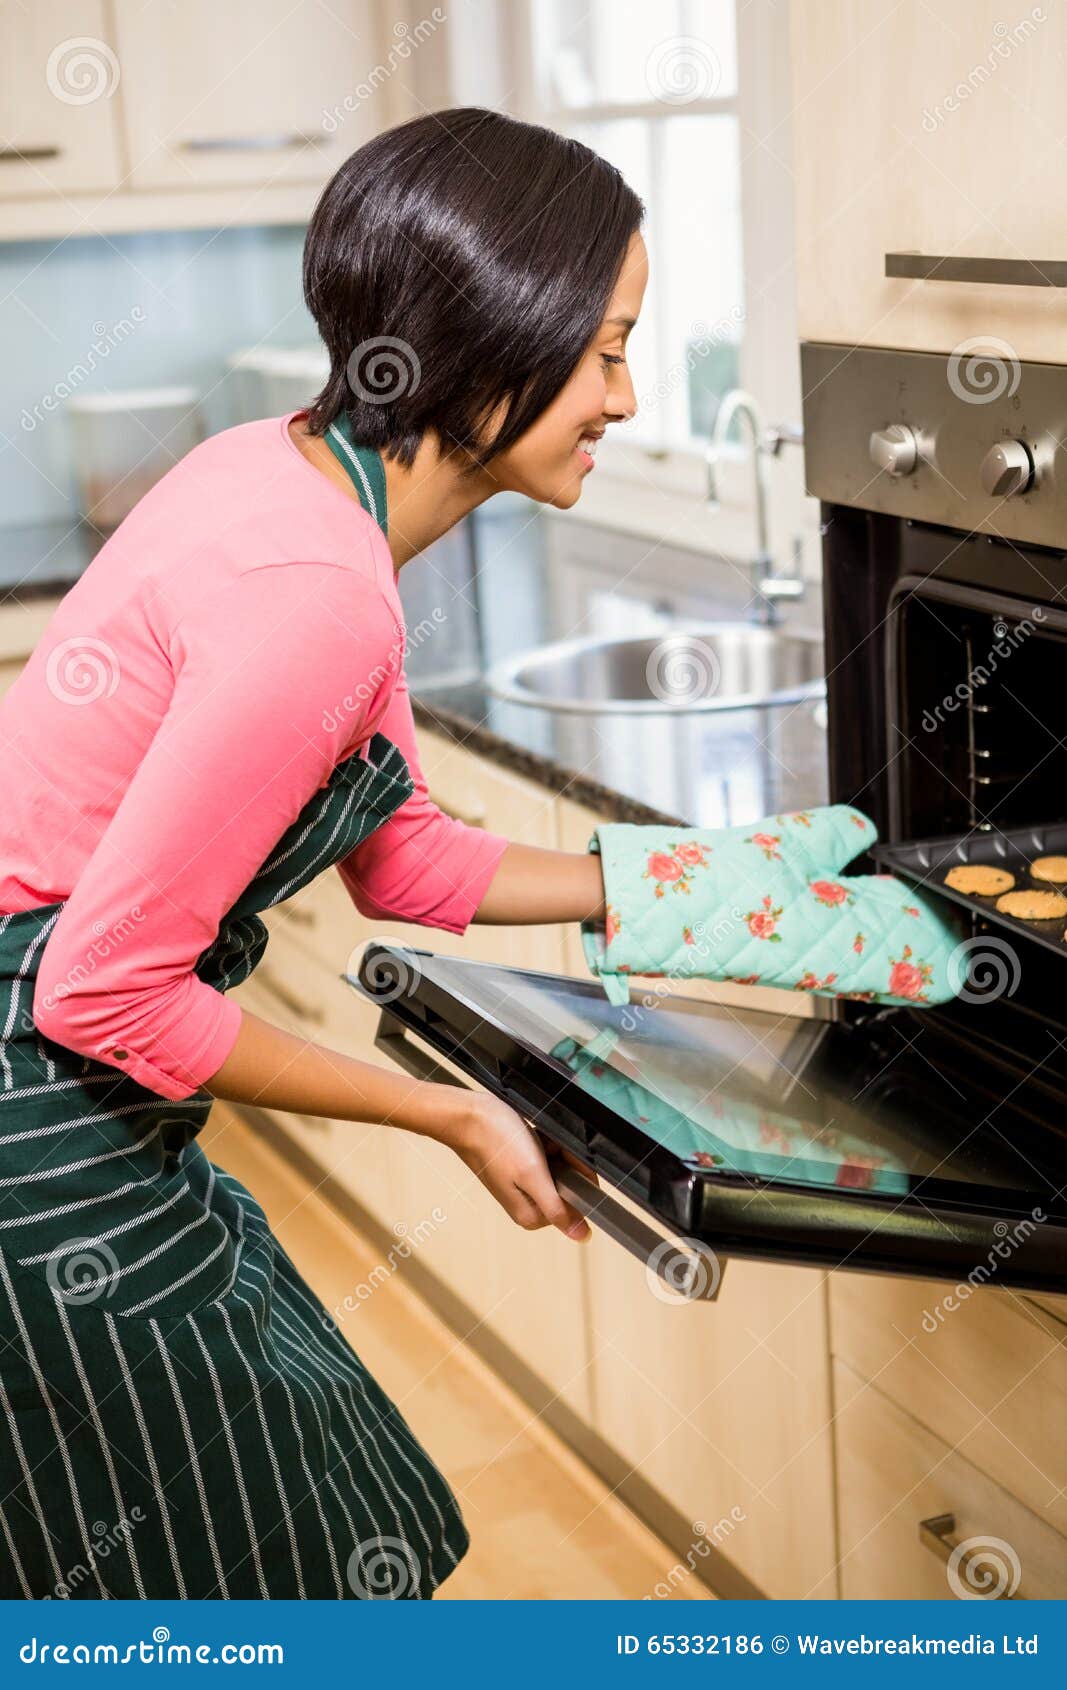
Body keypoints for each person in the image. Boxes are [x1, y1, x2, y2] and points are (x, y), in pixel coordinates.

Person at [0, 105, 647, 1600]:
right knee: (277, 1558)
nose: (622, 394)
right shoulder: (320, 588)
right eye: (605, 347)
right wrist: (446, 1113)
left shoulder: (287, 470)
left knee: (302, 1527)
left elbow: (406, 857)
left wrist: (673, 888)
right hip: (33, 1130)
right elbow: (102, 990)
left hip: (75, 1111)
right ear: (498, 344)